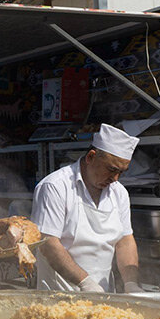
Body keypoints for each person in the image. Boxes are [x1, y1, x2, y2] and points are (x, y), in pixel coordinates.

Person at [31, 123, 141, 293]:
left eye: (122, 172)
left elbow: (125, 241)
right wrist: (85, 282)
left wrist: (131, 283)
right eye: (111, 169)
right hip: (59, 296)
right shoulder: (55, 186)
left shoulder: (119, 192)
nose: (116, 178)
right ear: (91, 157)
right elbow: (48, 243)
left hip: (103, 294)